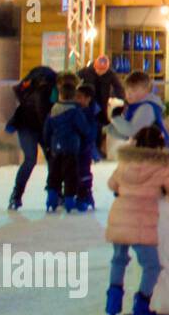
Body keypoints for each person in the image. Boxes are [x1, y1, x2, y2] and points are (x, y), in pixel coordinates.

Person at [103, 126, 169, 315]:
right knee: (151, 266)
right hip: (141, 221)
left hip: (119, 217)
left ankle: (113, 302)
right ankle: (142, 307)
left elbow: (112, 184)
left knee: (119, 259)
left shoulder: (125, 162)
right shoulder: (162, 166)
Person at [42, 75, 97, 213]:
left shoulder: (53, 111)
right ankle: (69, 201)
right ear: (73, 96)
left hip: (55, 149)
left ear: (59, 95)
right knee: (70, 175)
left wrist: (48, 145)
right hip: (71, 149)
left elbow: (47, 130)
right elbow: (84, 129)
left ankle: (51, 200)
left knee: (54, 175)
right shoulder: (75, 112)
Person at [6, 65, 57, 210]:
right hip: (30, 125)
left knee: (36, 159)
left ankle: (17, 195)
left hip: (30, 124)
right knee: (37, 159)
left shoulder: (35, 86)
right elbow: (41, 112)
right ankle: (52, 193)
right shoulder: (47, 89)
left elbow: (18, 90)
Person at [105, 71, 168, 147]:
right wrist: (107, 128)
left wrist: (116, 118)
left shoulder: (146, 108)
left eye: (133, 91)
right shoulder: (136, 107)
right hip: (145, 151)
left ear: (146, 91)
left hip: (152, 153)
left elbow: (132, 131)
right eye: (127, 90)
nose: (129, 94)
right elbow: (126, 135)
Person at [78, 55, 125, 155]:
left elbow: (118, 87)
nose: (100, 72)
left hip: (102, 104)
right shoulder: (86, 72)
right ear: (95, 66)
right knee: (88, 126)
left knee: (98, 128)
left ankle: (97, 149)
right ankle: (88, 149)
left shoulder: (110, 74)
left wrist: (121, 99)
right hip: (88, 103)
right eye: (99, 69)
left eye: (103, 70)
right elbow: (76, 81)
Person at [74, 83, 101, 210]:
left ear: (88, 98)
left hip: (84, 148)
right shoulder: (78, 111)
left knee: (84, 172)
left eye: (79, 97)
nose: (76, 100)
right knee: (76, 172)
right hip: (77, 147)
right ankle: (80, 195)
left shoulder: (90, 113)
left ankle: (85, 195)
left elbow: (90, 133)